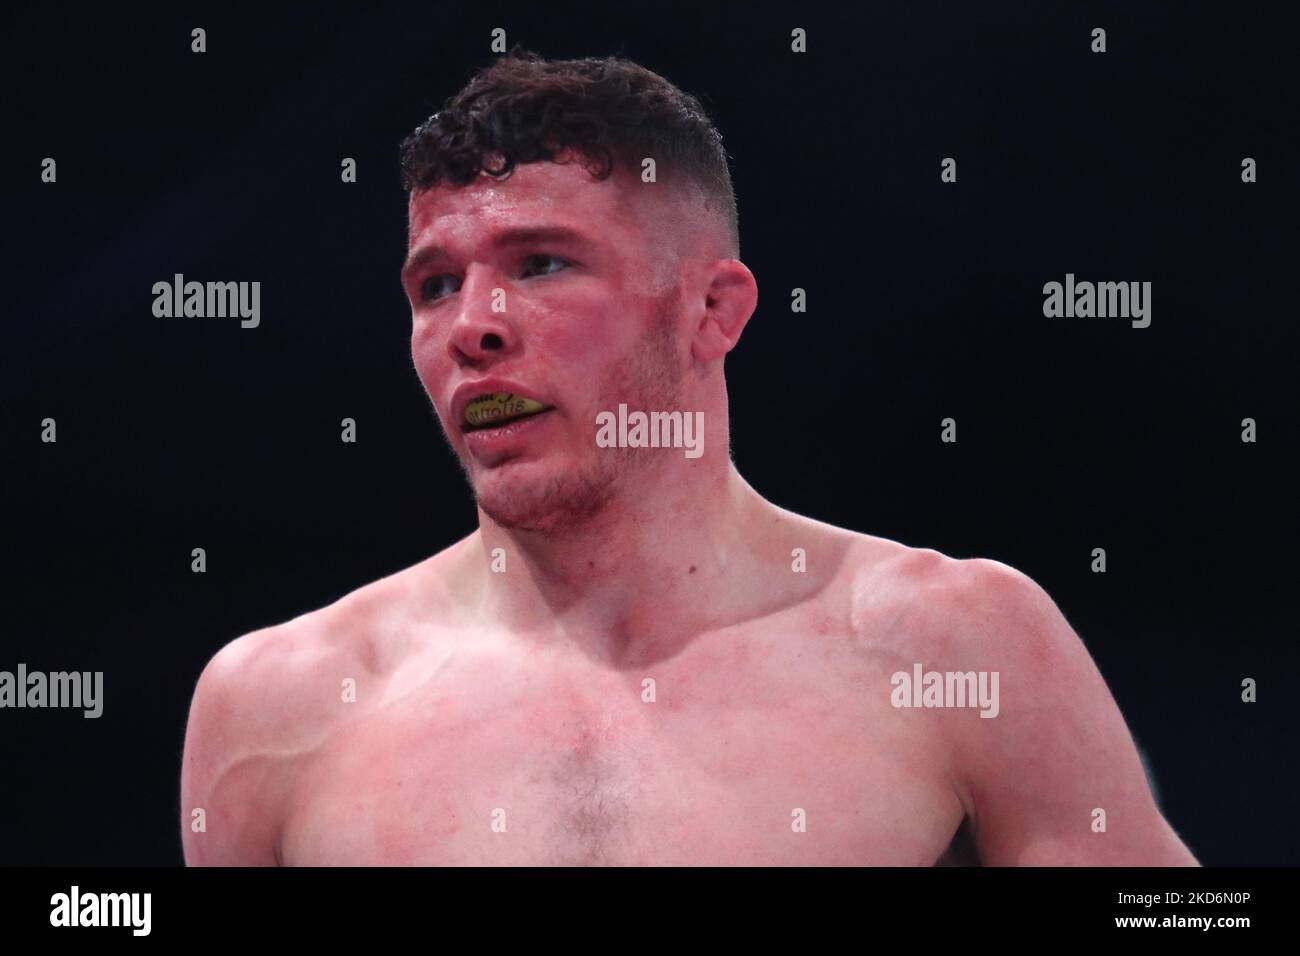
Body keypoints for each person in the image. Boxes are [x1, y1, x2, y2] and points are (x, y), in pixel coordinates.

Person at [181, 51, 1198, 866]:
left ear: (711, 310)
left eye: (539, 263)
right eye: (436, 283)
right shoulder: (281, 698)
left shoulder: (953, 642)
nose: (472, 326)